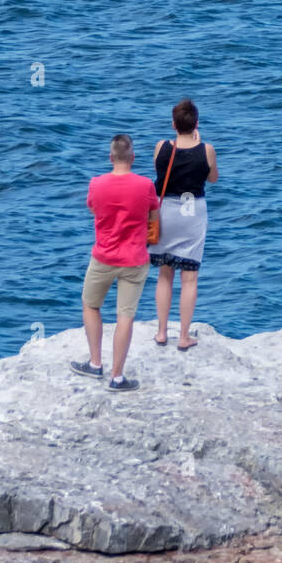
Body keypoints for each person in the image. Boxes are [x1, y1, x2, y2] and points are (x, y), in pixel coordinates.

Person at [73, 133, 160, 392]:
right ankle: (117, 377)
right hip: (135, 259)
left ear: (111, 157)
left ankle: (96, 363)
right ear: (132, 158)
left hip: (103, 256)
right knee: (125, 316)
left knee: (90, 305)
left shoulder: (96, 184)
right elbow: (154, 218)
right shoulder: (145, 185)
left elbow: (93, 210)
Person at [150, 99, 218, 350]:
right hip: (193, 214)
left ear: (173, 124)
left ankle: (160, 332)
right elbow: (213, 178)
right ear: (196, 124)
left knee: (165, 274)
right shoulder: (207, 150)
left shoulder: (161, 147)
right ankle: (184, 336)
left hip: (166, 212)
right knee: (189, 278)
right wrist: (199, 145)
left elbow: (158, 172)